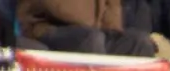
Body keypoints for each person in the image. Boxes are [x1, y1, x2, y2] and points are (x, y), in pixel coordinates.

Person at [18, 0, 157, 53]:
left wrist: (114, 33)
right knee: (92, 39)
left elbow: (111, 7)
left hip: (95, 32)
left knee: (139, 42)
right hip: (46, 29)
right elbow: (56, 7)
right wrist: (95, 25)